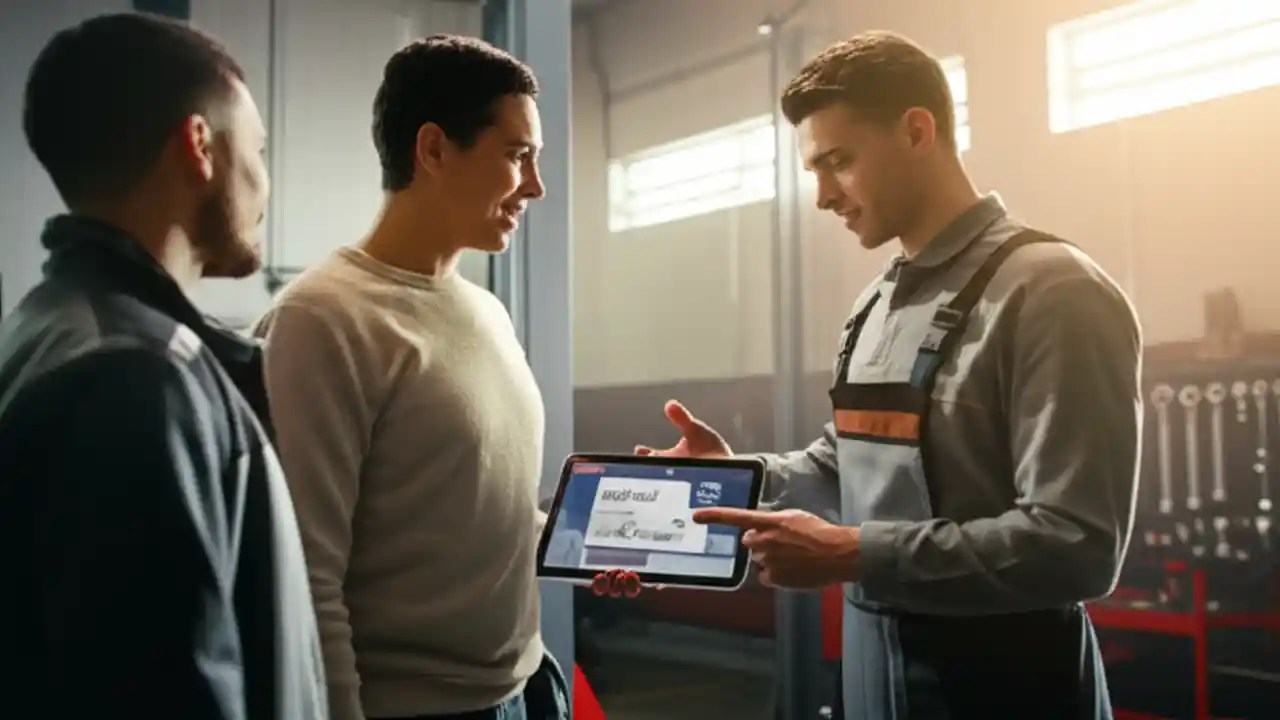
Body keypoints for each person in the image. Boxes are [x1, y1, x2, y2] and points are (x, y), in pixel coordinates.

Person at [638, 31, 1142, 720]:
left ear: (915, 131)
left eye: (838, 162)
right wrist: (739, 474)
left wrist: (855, 552)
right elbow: (842, 465)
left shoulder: (1053, 292)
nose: (821, 197)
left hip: (1013, 691)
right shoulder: (876, 305)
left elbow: (1077, 546)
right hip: (878, 686)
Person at [0, 12, 327, 719]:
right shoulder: (133, 378)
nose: (265, 184)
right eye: (260, 149)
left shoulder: (49, 325)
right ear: (200, 145)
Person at [253, 35, 566, 720]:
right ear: (433, 149)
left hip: (529, 686)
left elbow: (472, 509)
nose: (536, 187)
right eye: (518, 157)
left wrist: (600, 536)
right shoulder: (319, 320)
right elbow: (308, 580)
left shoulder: (485, 311)